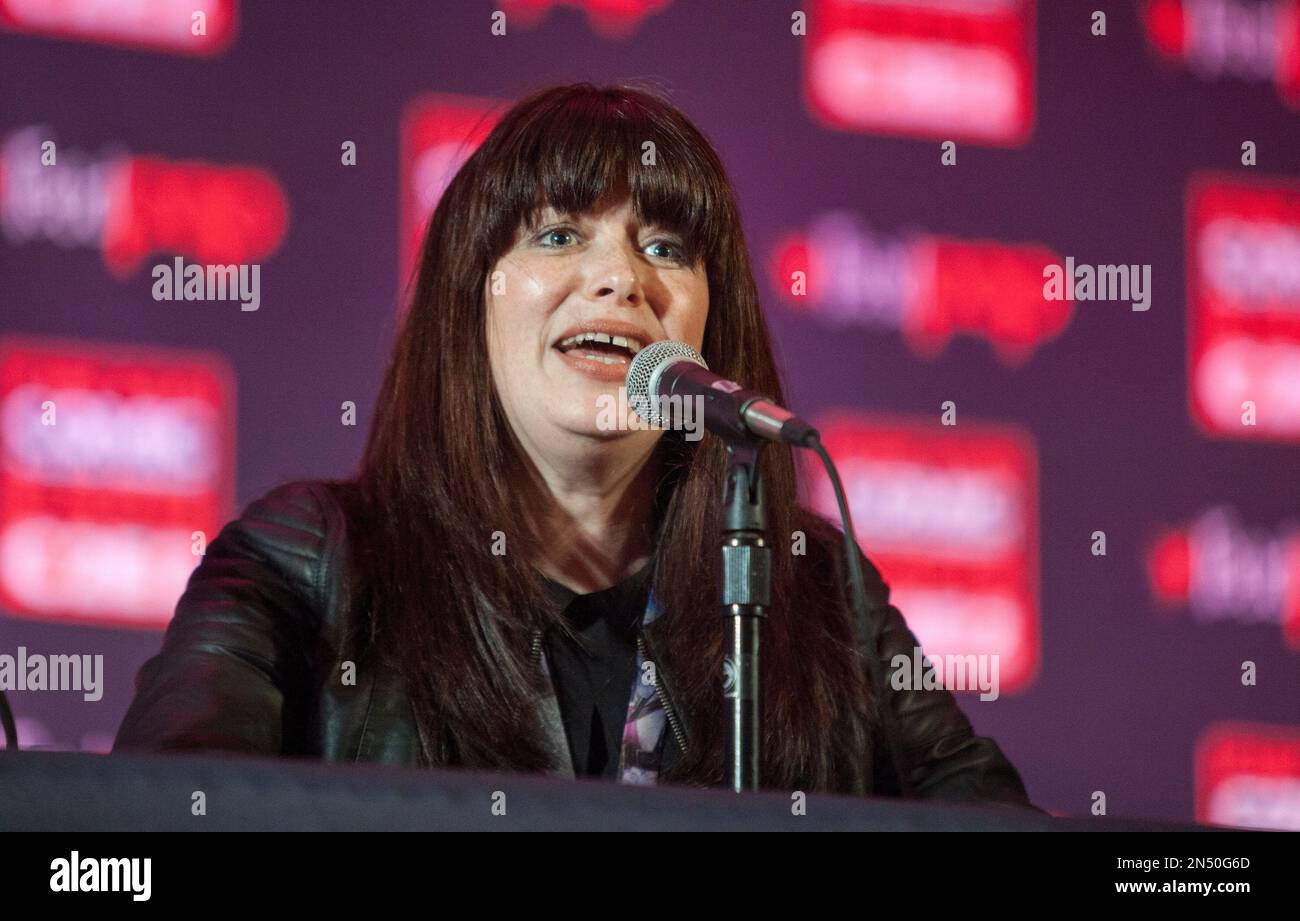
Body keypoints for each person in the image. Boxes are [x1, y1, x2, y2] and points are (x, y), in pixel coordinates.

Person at [114, 82, 1040, 808]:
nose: (619, 280)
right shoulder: (307, 559)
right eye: (559, 234)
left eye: (668, 248)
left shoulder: (817, 589)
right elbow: (158, 823)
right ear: (468, 302)